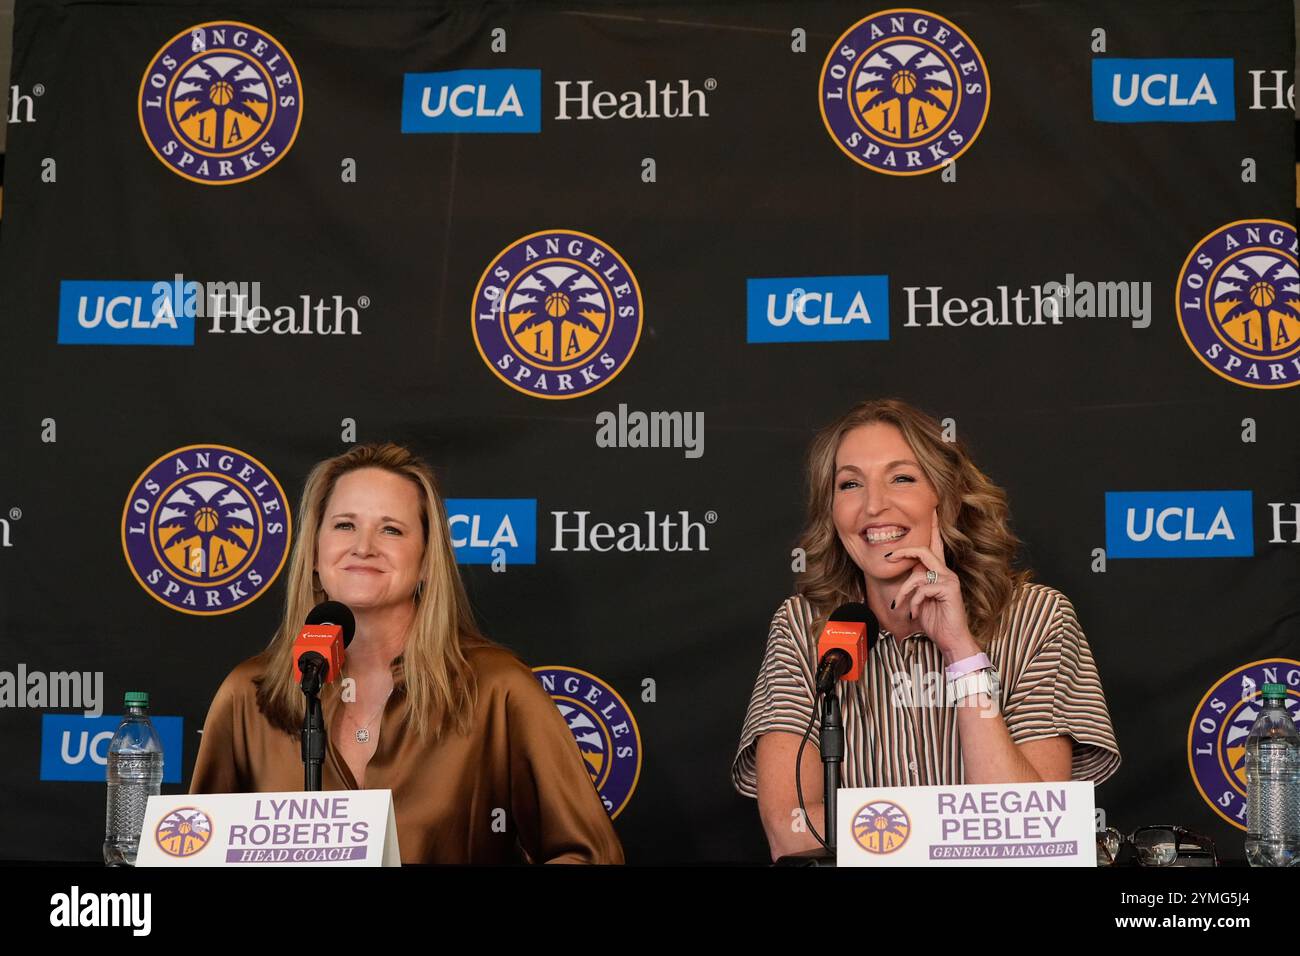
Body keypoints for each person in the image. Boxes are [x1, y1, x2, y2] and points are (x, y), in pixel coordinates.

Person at [190, 442, 623, 864]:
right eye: (345, 525)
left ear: (427, 559)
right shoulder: (250, 693)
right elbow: (193, 854)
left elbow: (590, 855)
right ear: (316, 552)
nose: (364, 546)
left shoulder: (496, 688)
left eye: (391, 529)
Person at [731, 399, 1121, 860]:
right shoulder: (803, 626)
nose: (874, 506)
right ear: (831, 512)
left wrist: (961, 652)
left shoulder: (1036, 618)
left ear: (946, 497)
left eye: (902, 478)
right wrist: (958, 829)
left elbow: (1033, 832)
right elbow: (790, 830)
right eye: (850, 484)